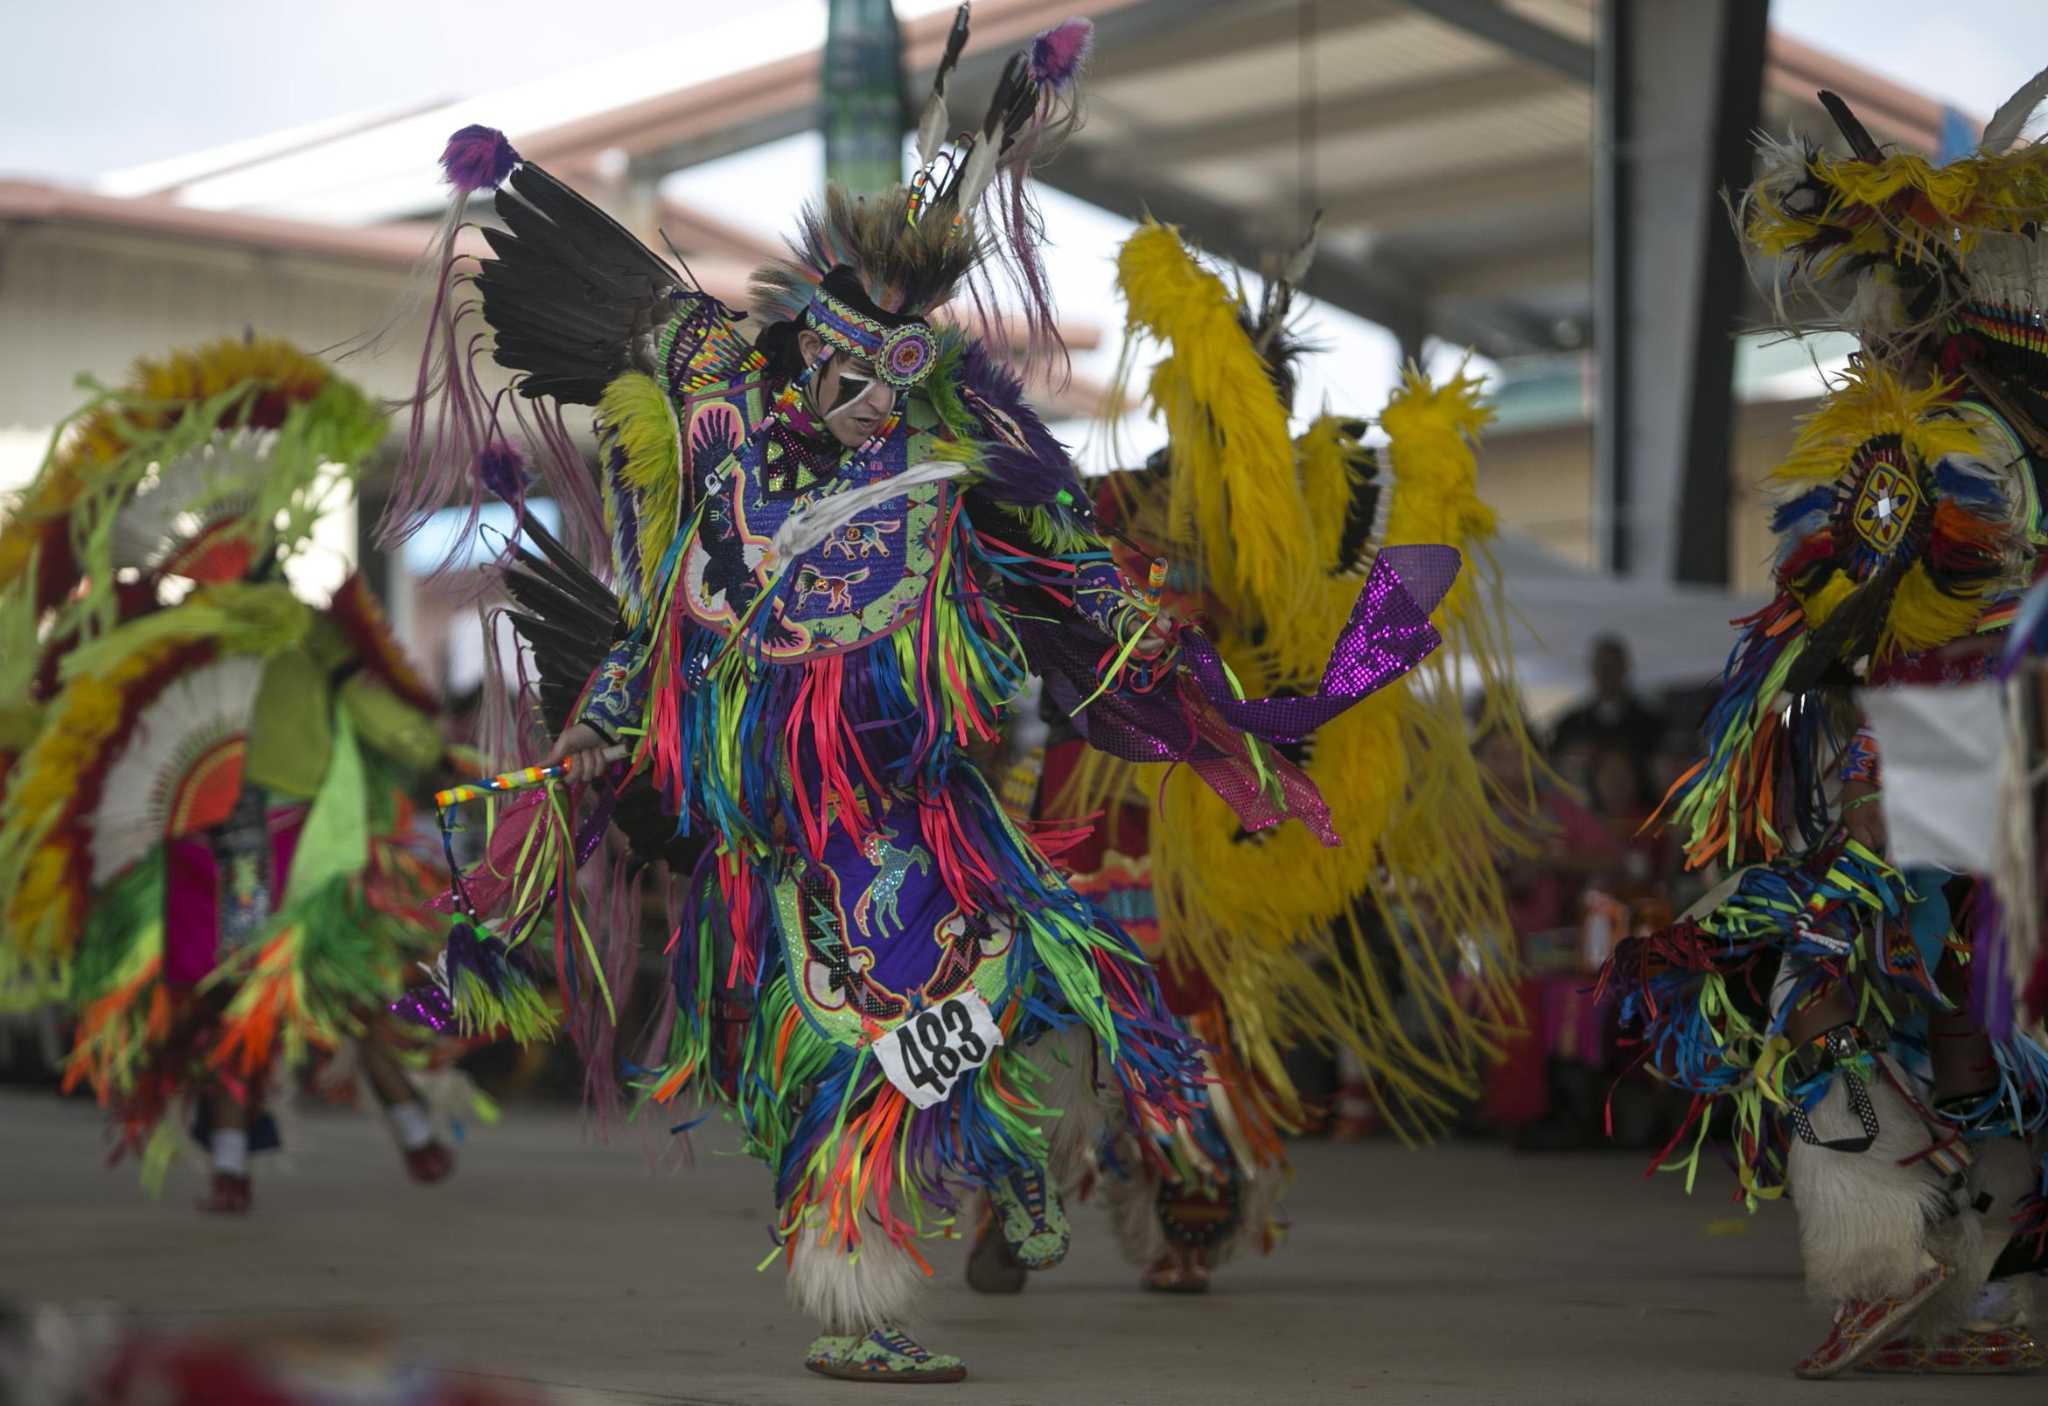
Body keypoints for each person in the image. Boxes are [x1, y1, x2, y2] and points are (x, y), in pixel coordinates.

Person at [380, 9, 1461, 1383]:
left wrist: (1227, 708)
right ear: (801, 351)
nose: (864, 394)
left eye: (896, 373)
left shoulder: (960, 484)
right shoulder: (726, 453)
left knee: (1040, 968)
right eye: (841, 365)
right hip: (793, 827)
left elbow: (1083, 585)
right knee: (855, 1035)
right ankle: (864, 1281)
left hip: (932, 806)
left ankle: (1019, 1158)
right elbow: (672, 639)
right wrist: (593, 759)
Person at [969, 219, 1530, 1292]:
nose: (1237, 415)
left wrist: (1307, 701)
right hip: (1086, 782)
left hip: (1204, 801)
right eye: (1222, 392)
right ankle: (1018, 1182)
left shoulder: (1293, 520)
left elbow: (1329, 643)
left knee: (1189, 1004)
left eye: (1254, 399)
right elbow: (1026, 592)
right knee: (1040, 990)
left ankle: (1185, 1215)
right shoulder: (1112, 499)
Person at [1602, 83, 2048, 1378]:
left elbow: (1859, 620)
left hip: (1929, 746)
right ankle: (1976, 1287)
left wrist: (1837, 754)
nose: (1858, 340)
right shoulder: (2013, 438)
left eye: (1873, 309)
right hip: (1985, 751)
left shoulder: (1931, 446)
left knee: (1802, 990)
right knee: (1962, 1018)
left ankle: (1890, 1251)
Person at [0, 338, 472, 1212]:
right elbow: (96, 713)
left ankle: (352, 1143)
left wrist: (438, 758)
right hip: (206, 837)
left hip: (305, 831)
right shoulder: (173, 636)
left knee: (324, 985)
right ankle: (244, 1155)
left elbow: (376, 710)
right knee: (235, 997)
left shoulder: (304, 625)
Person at [1549, 635, 1666, 785]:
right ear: (1593, 670)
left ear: (1625, 668)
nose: (1607, 673)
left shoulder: (1651, 723)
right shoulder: (1570, 725)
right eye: (1602, 666)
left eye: (1613, 666)